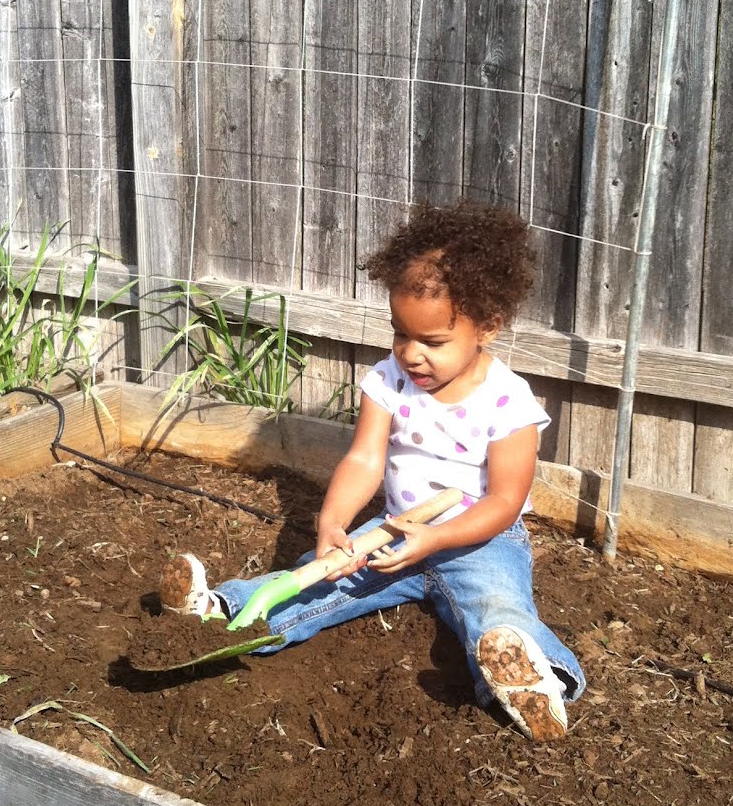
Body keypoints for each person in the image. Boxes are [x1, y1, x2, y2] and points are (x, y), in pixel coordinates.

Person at [160, 199, 585, 741]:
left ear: (489, 326)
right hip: (393, 530)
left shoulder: (509, 404)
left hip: (481, 540)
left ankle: (537, 680)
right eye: (399, 333)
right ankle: (221, 609)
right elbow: (364, 458)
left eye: (432, 341)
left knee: (495, 604)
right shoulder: (388, 380)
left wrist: (437, 539)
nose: (410, 354)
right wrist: (333, 523)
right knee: (319, 580)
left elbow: (504, 501)